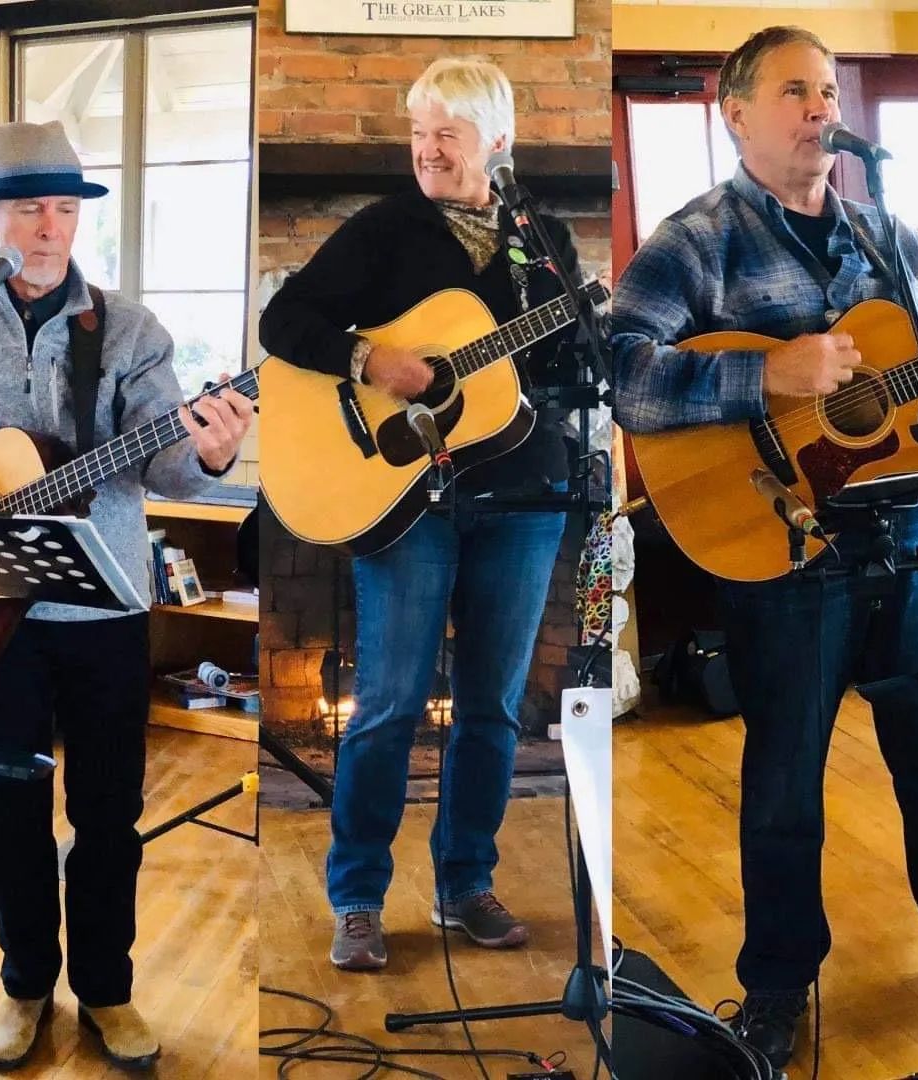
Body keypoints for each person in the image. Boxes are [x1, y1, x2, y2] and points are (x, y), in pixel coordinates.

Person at [612, 26, 918, 1069]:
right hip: (783, 551)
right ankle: (776, 985)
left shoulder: (884, 235)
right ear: (735, 114)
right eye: (795, 91)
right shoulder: (697, 241)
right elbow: (623, 375)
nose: (822, 108)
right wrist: (766, 376)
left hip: (909, 538)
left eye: (827, 90)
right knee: (783, 788)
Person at [0, 121, 252, 1070]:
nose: (50, 227)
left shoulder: (130, 331)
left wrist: (211, 451)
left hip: (106, 610)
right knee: (7, 812)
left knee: (107, 815)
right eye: (29, 209)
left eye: (64, 208)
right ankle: (24, 987)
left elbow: (170, 463)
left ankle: (106, 991)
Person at [259, 58, 581, 971]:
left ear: (497, 141)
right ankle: (358, 898)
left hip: (522, 491)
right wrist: (372, 362)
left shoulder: (541, 240)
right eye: (418, 133)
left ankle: (465, 884)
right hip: (406, 500)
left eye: (448, 133)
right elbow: (284, 323)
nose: (428, 150)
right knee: (389, 704)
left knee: (492, 708)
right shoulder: (383, 230)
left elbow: (562, 367)